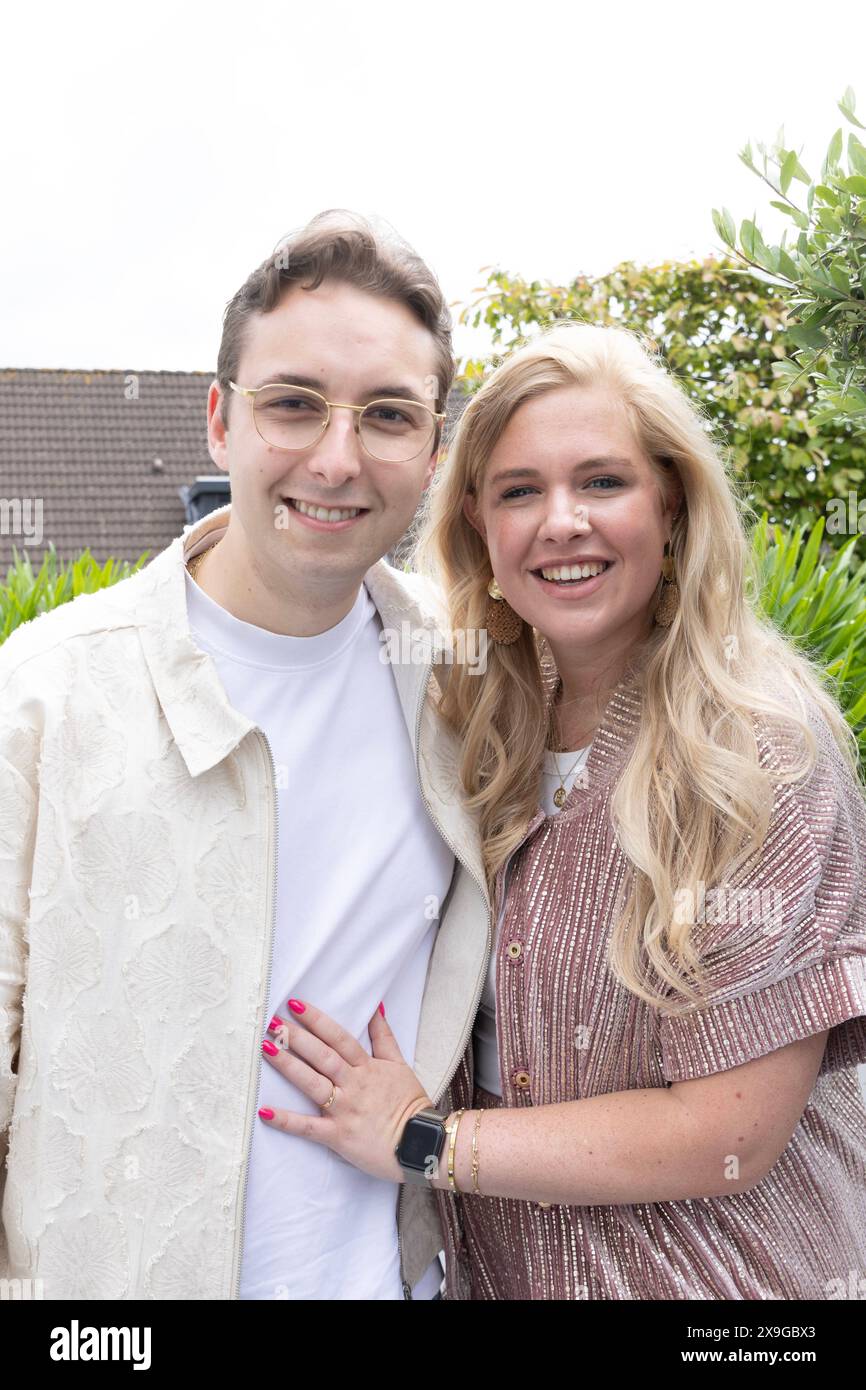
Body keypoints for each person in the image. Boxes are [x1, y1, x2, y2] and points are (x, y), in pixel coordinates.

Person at [252, 321, 866, 1300]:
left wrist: (422, 1140)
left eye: (602, 482)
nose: (561, 521)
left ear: (670, 503)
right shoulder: (476, 720)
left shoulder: (757, 756)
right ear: (479, 526)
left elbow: (729, 1133)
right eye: (519, 491)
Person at [0, 209, 491, 1300]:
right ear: (220, 421)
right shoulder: (47, 692)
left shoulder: (463, 681)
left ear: (432, 452)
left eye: (387, 415)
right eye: (294, 403)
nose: (336, 458)